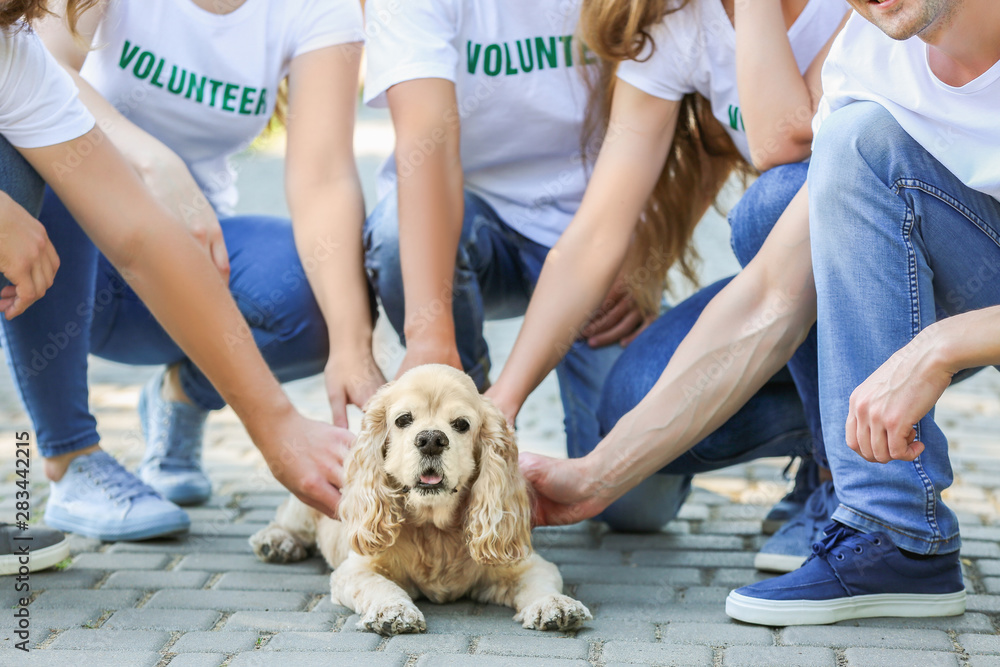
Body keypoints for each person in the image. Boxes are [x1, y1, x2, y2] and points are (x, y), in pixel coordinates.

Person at [486, 0, 847, 569]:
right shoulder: (680, 24)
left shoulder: (857, 10)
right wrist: (503, 399)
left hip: (921, 276)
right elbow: (595, 235)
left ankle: (847, 485)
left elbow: (786, 142)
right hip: (802, 279)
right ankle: (831, 446)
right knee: (634, 396)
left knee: (774, 204)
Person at [18, 0, 380, 540]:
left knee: (325, 300)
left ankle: (182, 397)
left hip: (185, 261)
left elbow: (323, 176)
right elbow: (36, 68)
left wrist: (354, 345)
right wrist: (150, 159)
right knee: (39, 154)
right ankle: (71, 457)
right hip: (63, 266)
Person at [728, 0, 999, 625]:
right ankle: (892, 530)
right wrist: (598, 475)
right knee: (840, 156)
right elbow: (772, 286)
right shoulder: (869, 49)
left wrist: (943, 346)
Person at [360, 0, 647, 456]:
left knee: (636, 505)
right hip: (473, 226)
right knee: (396, 231)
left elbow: (697, 120)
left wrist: (649, 251)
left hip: (595, 233)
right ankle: (464, 433)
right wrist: (432, 342)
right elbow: (427, 140)